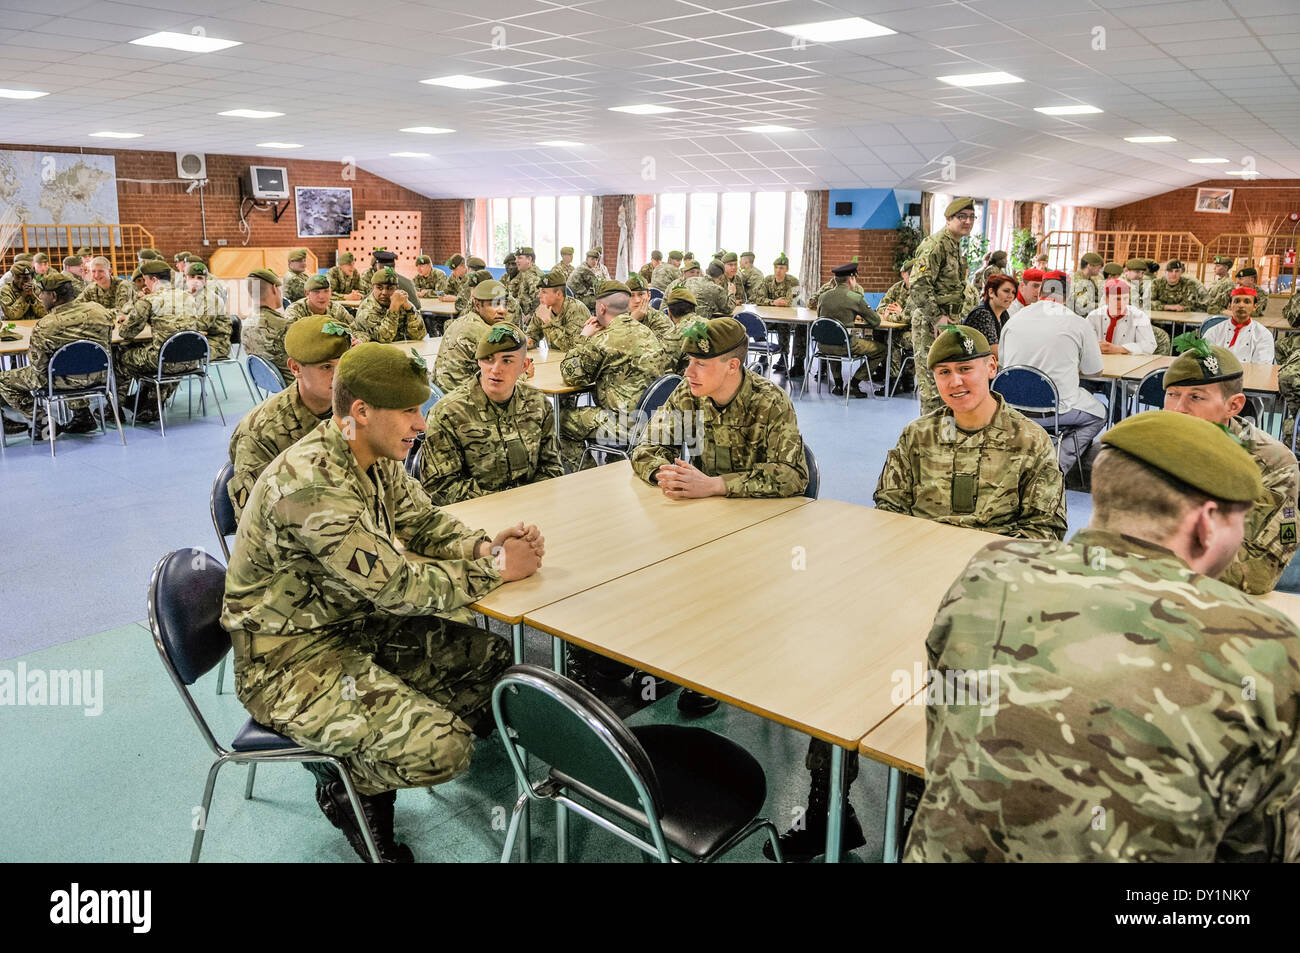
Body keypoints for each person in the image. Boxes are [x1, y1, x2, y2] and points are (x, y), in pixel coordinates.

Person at [904, 410, 1300, 862]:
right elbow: (1265, 843)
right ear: (1207, 523)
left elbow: (945, 734)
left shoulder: (989, 571)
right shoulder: (1269, 645)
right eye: (1240, 520)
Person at [221, 343, 544, 863]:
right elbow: (398, 587)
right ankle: (349, 786)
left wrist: (485, 545)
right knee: (445, 748)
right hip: (286, 657)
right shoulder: (311, 483)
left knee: (491, 664)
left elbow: (422, 521)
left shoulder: (370, 452)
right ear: (362, 412)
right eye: (409, 412)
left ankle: (374, 742)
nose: (421, 423)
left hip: (353, 622)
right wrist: (498, 570)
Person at [767, 324, 1068, 863]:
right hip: (907, 587)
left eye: (966, 369)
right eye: (944, 373)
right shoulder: (918, 436)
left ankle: (919, 810)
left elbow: (1046, 533)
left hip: (987, 598)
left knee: (949, 697)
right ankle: (827, 809)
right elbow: (888, 509)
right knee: (844, 674)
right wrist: (912, 563)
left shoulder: (1030, 441)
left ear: (991, 366)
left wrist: (969, 563)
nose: (956, 382)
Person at [632, 315, 807, 718]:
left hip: (763, 530)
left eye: (700, 364)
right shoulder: (686, 394)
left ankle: (711, 671)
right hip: (706, 522)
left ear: (733, 365)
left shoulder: (770, 402)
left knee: (723, 587)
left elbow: (794, 475)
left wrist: (715, 485)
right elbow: (645, 448)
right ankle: (668, 658)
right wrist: (668, 475)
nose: (688, 372)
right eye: (687, 361)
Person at [1163, 338, 1299, 594]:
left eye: (1196, 397)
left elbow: (1258, 573)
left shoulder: (1271, 463)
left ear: (1233, 405)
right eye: (1172, 395)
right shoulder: (1146, 445)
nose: (1178, 409)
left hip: (1227, 600)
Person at [420, 323, 562, 504]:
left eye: (507, 360)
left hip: (532, 510)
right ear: (478, 361)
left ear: (524, 366)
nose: (495, 369)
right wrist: (506, 504)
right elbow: (440, 488)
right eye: (488, 359)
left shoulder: (538, 404)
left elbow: (552, 468)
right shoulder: (448, 413)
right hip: (475, 517)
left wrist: (530, 502)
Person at [226, 315, 348, 521]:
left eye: (344, 364)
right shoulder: (260, 432)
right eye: (326, 367)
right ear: (295, 368)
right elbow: (255, 518)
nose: (338, 376)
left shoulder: (355, 412)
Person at [999, 271, 1105, 479]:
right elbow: (1095, 371)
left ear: (1040, 292)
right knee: (1099, 414)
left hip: (1011, 409)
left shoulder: (1013, 319)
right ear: (1066, 296)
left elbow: (1004, 366)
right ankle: (1056, 467)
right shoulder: (1077, 322)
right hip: (1054, 410)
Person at [558, 280, 671, 471]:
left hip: (626, 425)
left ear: (601, 308)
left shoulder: (604, 340)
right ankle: (612, 467)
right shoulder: (647, 332)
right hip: (654, 420)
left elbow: (571, 374)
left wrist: (584, 337)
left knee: (561, 421)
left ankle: (588, 476)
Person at [0, 271, 111, 437]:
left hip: (64, 379)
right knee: (70, 365)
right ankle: (82, 415)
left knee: (4, 380)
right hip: (99, 376)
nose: (39, 297)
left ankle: (43, 423)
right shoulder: (99, 311)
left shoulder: (47, 324)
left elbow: (38, 366)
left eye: (41, 293)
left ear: (52, 296)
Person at [909, 197, 977, 413]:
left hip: (948, 322)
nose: (967, 221)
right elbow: (918, 285)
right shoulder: (935, 244)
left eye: (971, 217)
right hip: (932, 322)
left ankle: (942, 435)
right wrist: (937, 318)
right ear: (948, 219)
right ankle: (927, 439)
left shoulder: (954, 245)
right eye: (962, 216)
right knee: (932, 385)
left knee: (947, 381)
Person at [113, 259, 202, 421]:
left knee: (120, 354)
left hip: (164, 361)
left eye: (145, 280)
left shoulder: (149, 300)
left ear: (153, 280)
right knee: (157, 351)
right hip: (191, 359)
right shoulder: (188, 297)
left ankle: (114, 408)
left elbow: (127, 332)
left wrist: (134, 314)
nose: (144, 283)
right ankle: (150, 400)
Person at [814, 262, 884, 397]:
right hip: (845, 346)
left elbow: (822, 320)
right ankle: (854, 384)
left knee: (832, 339)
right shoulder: (855, 297)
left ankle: (838, 384)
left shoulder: (823, 296)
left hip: (823, 346)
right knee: (882, 349)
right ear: (851, 279)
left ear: (835, 279)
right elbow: (876, 321)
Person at [434, 278, 511, 393]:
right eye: (494, 304)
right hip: (463, 401)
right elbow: (504, 376)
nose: (502, 310)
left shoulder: (459, 322)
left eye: (504, 305)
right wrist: (524, 372)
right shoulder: (486, 333)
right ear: (477, 305)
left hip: (440, 395)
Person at [753, 252, 804, 376]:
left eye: (781, 268)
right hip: (770, 318)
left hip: (788, 319)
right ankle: (764, 352)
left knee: (783, 326)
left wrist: (779, 303)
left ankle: (783, 356)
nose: (778, 271)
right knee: (756, 324)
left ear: (787, 269)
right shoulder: (768, 280)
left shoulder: (793, 281)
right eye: (776, 267)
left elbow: (791, 302)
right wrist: (773, 302)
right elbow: (758, 299)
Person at [243, 269, 295, 385]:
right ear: (273, 289)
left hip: (270, 383)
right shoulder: (284, 326)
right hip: (295, 386)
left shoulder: (246, 324)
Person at [351, 268, 426, 344]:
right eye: (379, 288)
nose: (384, 292)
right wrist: (393, 308)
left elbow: (420, 335)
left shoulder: (399, 300)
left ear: (396, 288)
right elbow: (384, 338)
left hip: (400, 348)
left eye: (389, 288)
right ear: (372, 287)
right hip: (374, 351)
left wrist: (408, 308)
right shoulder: (366, 309)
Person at [1085, 277, 1156, 355]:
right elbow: (1084, 343)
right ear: (1106, 299)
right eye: (1117, 299)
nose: (1122, 303)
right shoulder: (1093, 317)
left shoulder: (1139, 316)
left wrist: (1119, 349)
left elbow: (1150, 345)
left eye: (1125, 298)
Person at [1203, 287, 1273, 364]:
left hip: (1251, 375)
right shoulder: (1214, 332)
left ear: (1254, 307)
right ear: (1230, 306)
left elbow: (1262, 366)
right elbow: (1205, 359)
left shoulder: (1263, 334)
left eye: (1247, 302)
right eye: (1237, 301)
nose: (1241, 305)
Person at [525, 270, 590, 350]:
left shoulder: (576, 309)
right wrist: (529, 342)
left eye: (544, 292)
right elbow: (532, 335)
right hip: (555, 358)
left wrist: (548, 322)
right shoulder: (543, 308)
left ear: (558, 294)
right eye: (539, 292)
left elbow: (571, 346)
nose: (539, 295)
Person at [962, 273, 1017, 361]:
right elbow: (995, 352)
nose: (1011, 296)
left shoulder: (1004, 315)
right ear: (991, 292)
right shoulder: (983, 314)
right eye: (1006, 291)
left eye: (1013, 292)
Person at [184, 261, 232, 361]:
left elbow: (200, 326)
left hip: (216, 342)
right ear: (186, 278)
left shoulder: (211, 299)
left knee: (179, 355)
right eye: (192, 277)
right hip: (198, 339)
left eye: (200, 278)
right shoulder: (186, 295)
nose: (195, 281)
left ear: (205, 281)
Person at [287, 274, 354, 326]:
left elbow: (354, 329)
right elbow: (293, 336)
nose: (322, 296)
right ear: (307, 293)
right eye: (316, 292)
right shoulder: (295, 310)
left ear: (331, 292)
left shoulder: (337, 309)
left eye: (326, 291)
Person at [626, 274, 673, 338]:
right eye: (631, 295)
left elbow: (659, 346)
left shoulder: (660, 320)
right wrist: (632, 319)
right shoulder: (620, 317)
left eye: (641, 294)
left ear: (648, 295)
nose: (637, 300)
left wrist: (631, 322)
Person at [1068, 252, 1104, 316]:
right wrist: (1104, 306)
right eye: (1098, 267)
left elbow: (1096, 297)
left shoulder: (1089, 280)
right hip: (1077, 319)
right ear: (1089, 265)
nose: (1100, 269)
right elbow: (1084, 305)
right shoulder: (1078, 281)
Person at [513, 246, 544, 318]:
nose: (516, 261)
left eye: (519, 258)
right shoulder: (525, 273)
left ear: (529, 259)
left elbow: (540, 298)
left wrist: (531, 314)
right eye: (516, 258)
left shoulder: (532, 276)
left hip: (532, 320)